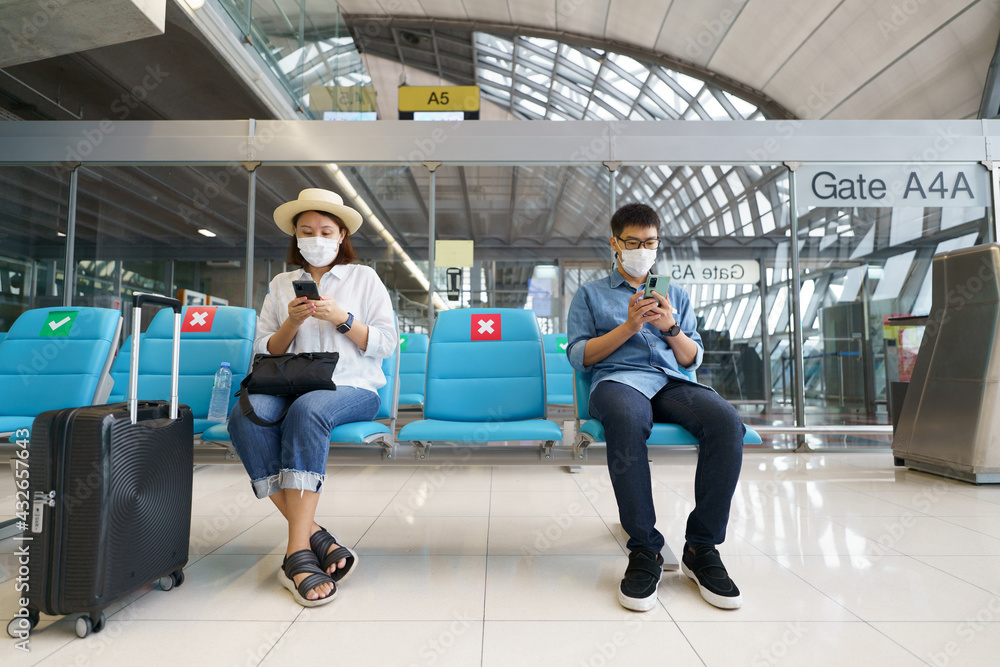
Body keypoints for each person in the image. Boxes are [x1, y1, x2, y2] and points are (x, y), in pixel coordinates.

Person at [566, 202, 745, 611]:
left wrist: (671, 327)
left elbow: (691, 358)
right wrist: (629, 326)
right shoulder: (590, 294)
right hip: (617, 381)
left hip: (672, 382)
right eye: (634, 242)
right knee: (627, 420)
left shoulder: (675, 293)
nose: (643, 249)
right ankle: (644, 549)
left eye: (650, 242)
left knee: (726, 423)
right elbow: (580, 355)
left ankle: (701, 548)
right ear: (615, 243)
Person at [228, 188, 396, 607]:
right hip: (286, 384)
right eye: (307, 231)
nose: (316, 238)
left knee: (307, 412)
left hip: (350, 388)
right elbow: (265, 349)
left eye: (325, 230)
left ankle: (297, 555)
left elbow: (386, 344)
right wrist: (291, 322)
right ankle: (314, 537)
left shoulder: (365, 279)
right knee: (245, 417)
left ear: (341, 236)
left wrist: (342, 319)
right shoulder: (282, 284)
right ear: (296, 237)